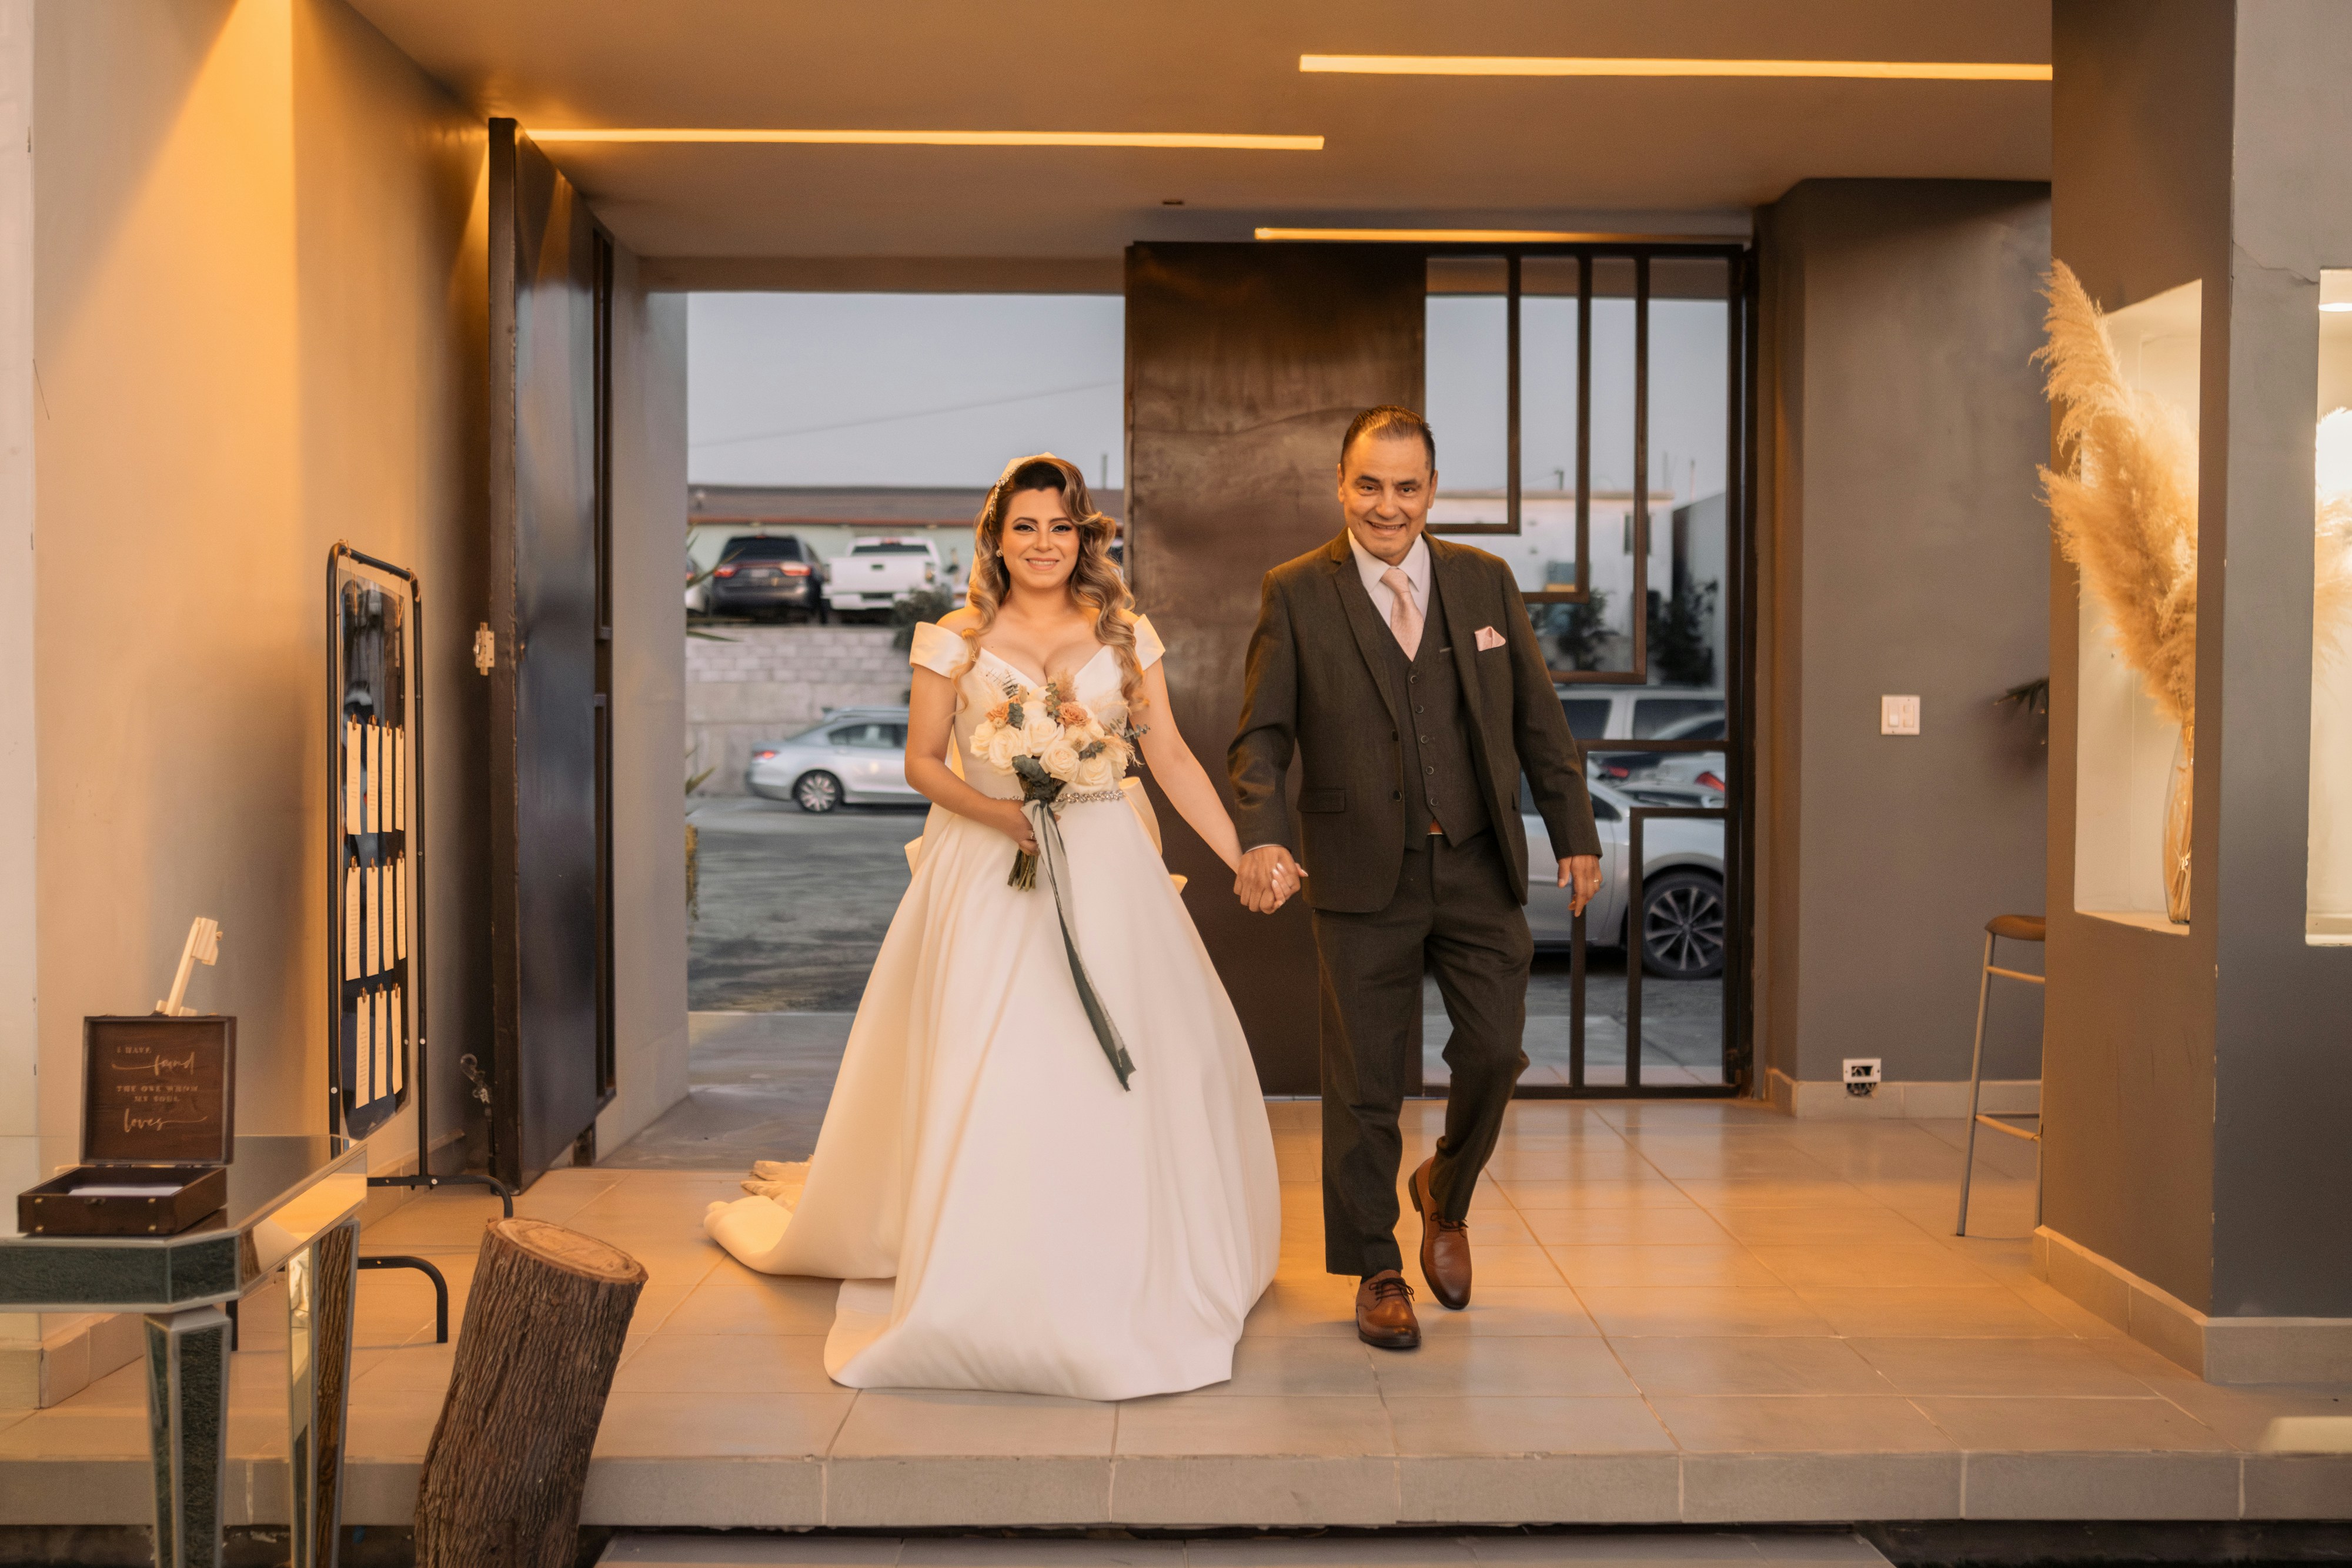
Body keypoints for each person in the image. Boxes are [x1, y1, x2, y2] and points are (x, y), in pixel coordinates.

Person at [702, 453, 1279, 1402]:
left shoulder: (1125, 631)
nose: (1045, 544)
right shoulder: (955, 638)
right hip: (993, 865)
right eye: (1026, 528)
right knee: (999, 1058)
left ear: (1084, 537)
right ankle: (989, 1266)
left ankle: (1116, 1261)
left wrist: (1240, 853)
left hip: (1108, 865)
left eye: (1062, 527)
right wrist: (1001, 812)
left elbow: (1171, 757)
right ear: (997, 540)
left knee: (1123, 1058)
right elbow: (924, 763)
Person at [1227, 406, 1603, 1352]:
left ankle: (1444, 1189)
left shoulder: (1484, 580)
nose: (1386, 506)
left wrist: (1575, 829)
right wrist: (1263, 838)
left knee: (1496, 1051)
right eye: (1369, 485)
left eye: (1406, 487)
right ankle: (1376, 1268)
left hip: (1478, 862)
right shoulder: (1295, 592)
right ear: (1340, 485)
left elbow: (1538, 719)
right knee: (1363, 1083)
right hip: (1359, 871)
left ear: (1432, 490)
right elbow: (1261, 738)